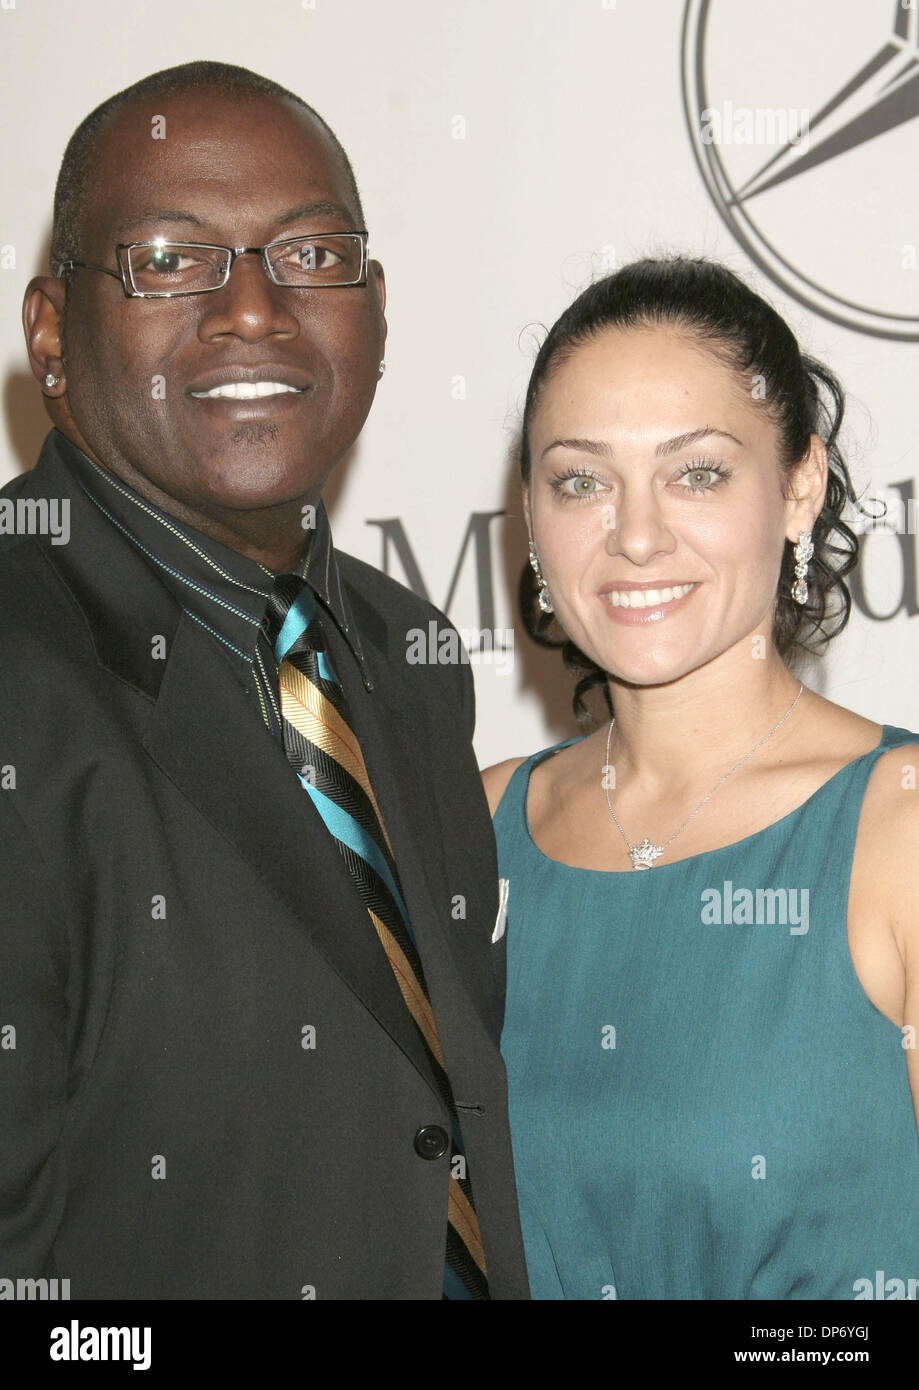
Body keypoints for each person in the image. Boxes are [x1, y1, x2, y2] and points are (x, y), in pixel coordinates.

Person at [0, 60, 529, 1301]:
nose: (252, 311)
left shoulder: (408, 655)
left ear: (379, 311)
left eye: (309, 256)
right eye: (170, 261)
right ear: (51, 335)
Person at [483, 257, 919, 1300]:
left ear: (798, 487)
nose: (635, 535)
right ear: (533, 519)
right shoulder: (473, 817)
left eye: (698, 472)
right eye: (580, 479)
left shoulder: (896, 831)